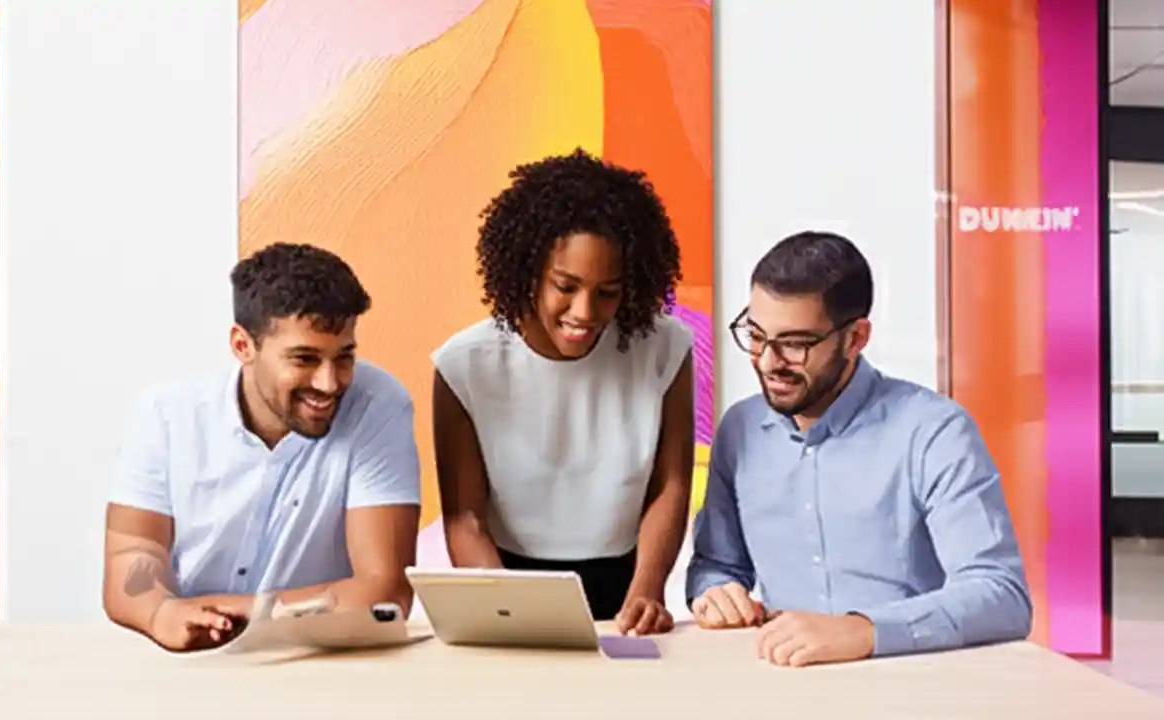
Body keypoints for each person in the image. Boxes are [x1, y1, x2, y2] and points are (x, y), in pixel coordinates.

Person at [686, 231, 1032, 667]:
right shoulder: (740, 430)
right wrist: (714, 593)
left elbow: (1001, 594)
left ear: (855, 338)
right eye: (756, 336)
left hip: (913, 686)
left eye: (794, 344)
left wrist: (864, 630)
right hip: (782, 685)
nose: (768, 361)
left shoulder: (934, 432)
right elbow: (716, 566)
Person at [102, 243, 421, 652]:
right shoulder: (165, 415)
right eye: (304, 359)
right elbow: (132, 554)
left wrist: (231, 611)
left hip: (321, 664)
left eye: (344, 356)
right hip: (187, 661)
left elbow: (385, 593)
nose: (330, 383)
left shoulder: (378, 407)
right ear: (242, 346)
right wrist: (160, 613)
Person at [432, 148, 695, 636]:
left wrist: (648, 588)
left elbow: (670, 485)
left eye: (608, 292)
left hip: (629, 588)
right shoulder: (464, 364)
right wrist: (503, 605)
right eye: (565, 286)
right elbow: (465, 516)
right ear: (527, 270)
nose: (585, 312)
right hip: (506, 579)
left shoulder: (666, 347)